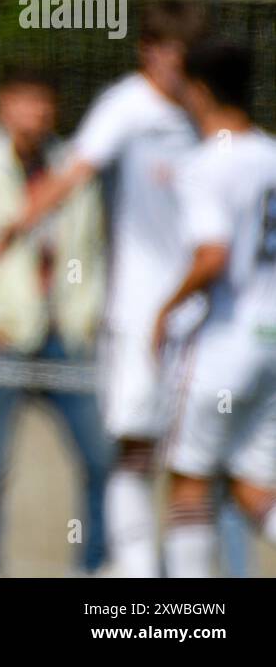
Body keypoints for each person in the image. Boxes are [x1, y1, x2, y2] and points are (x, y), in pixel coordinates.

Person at [0, 1, 208, 576]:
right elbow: (72, 174)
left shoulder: (202, 109)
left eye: (183, 52)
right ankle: (134, 584)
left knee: (200, 458)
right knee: (133, 450)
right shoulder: (125, 106)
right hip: (140, 314)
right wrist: (16, 227)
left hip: (205, 312)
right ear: (148, 51)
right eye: (163, 49)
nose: (173, 63)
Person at [0, 64, 110, 576]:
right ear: (0, 105)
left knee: (99, 456)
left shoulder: (72, 166)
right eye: (22, 100)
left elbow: (92, 251)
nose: (33, 113)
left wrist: (84, 317)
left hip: (65, 339)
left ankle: (94, 564)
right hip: (4, 339)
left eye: (42, 101)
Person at [156, 40, 276, 576]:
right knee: (254, 491)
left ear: (199, 91)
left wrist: (166, 308)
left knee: (188, 483)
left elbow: (212, 254)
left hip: (225, 343)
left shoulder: (205, 163)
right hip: (271, 345)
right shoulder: (270, 153)